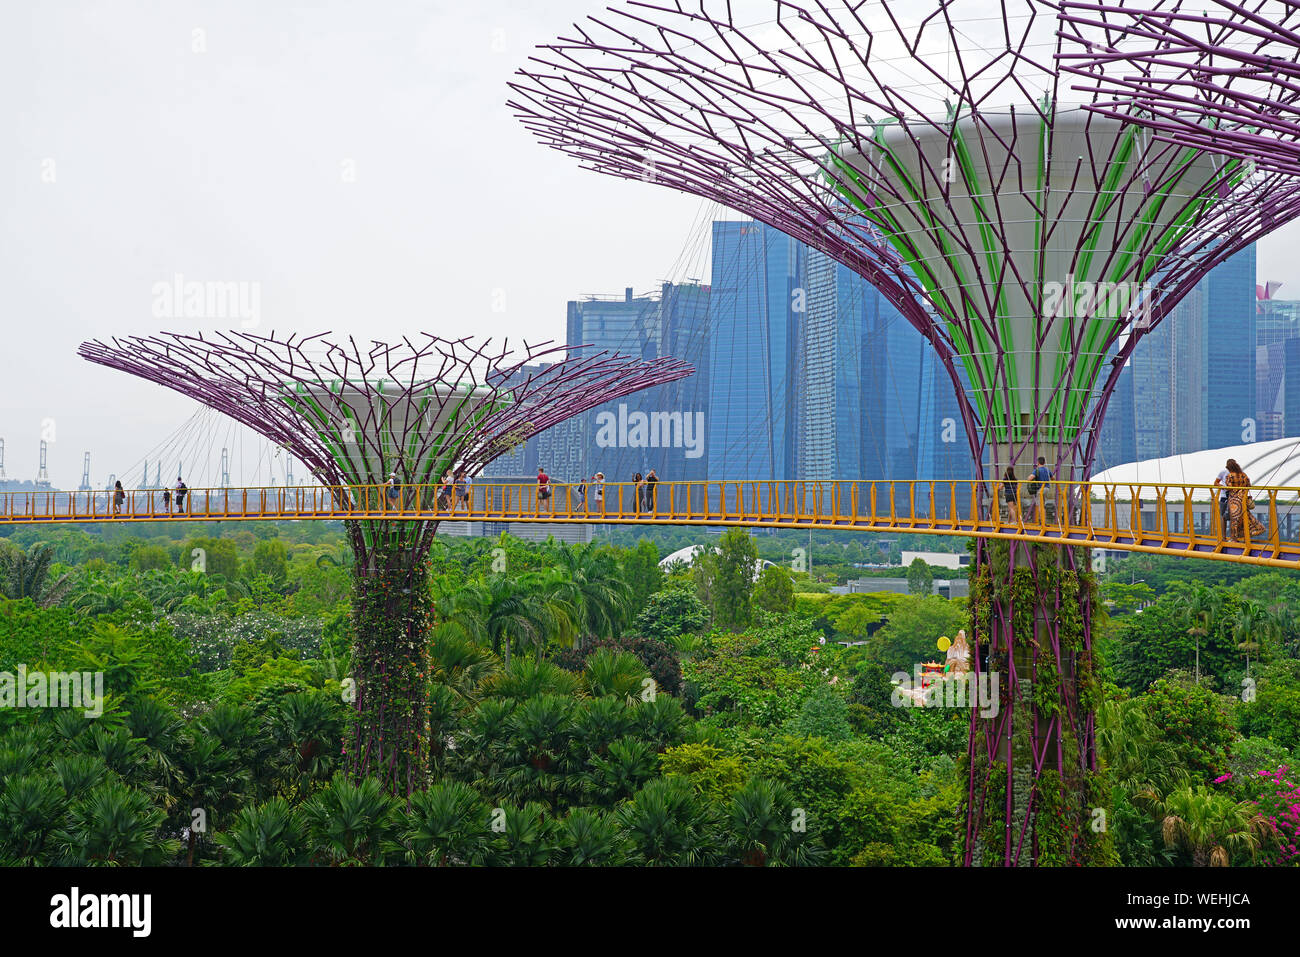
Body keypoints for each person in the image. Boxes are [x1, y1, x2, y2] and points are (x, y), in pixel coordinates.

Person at [1225, 458, 1266, 542]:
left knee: (1234, 520)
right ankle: (1250, 534)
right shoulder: (1244, 475)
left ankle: (1234, 539)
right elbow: (1249, 485)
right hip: (1243, 499)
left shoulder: (1230, 476)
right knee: (1245, 517)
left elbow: (1228, 487)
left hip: (1234, 501)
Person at [1026, 456, 1052, 522]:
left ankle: (1042, 521)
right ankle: (1044, 521)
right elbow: (1053, 478)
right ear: (1044, 462)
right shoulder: (1047, 470)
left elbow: (1030, 478)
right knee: (1043, 505)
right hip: (1047, 488)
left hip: (1040, 490)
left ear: (1038, 462)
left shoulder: (1037, 470)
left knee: (1040, 506)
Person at [1213, 464, 1231, 537]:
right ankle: (1223, 536)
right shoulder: (1223, 472)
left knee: (1233, 517)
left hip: (1234, 497)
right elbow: (1215, 483)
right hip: (1224, 496)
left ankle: (1233, 536)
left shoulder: (1238, 473)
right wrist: (1222, 487)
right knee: (1223, 516)